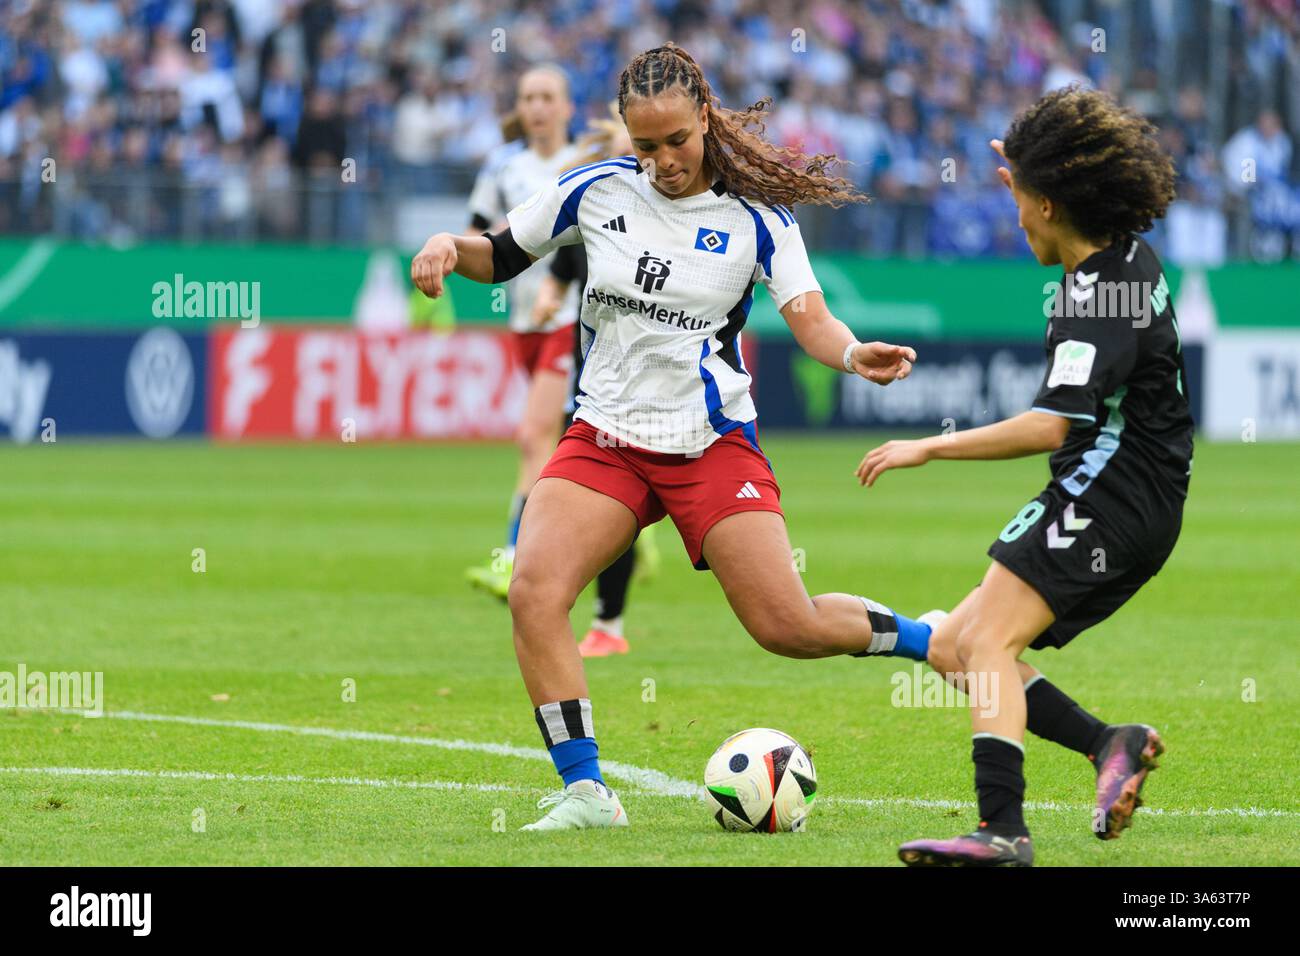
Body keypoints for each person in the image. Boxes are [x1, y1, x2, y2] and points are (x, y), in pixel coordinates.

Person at [412, 43, 926, 831]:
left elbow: (813, 321)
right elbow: (504, 255)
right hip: (606, 436)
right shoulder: (593, 191)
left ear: (706, 119)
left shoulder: (760, 219)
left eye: (676, 141)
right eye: (645, 145)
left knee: (786, 627)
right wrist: (453, 245)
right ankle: (587, 793)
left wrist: (857, 354)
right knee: (535, 592)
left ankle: (932, 640)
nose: (662, 161)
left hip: (709, 442)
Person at [857, 86, 1191, 866]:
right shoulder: (1120, 255)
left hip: (1112, 495)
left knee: (992, 645)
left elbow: (1050, 425)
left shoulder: (1098, 297)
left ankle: (1002, 830)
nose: (1014, 218)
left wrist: (929, 447)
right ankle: (1112, 742)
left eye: (1020, 201)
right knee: (954, 647)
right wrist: (1027, 166)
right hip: (1128, 495)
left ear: (1050, 203)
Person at [532, 100, 660, 657]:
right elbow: (555, 276)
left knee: (623, 515)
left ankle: (608, 618)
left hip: (665, 399)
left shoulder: (676, 227)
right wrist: (544, 302)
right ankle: (602, 622)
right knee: (602, 510)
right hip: (595, 395)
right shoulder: (587, 219)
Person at [461, 65, 583, 599]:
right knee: (560, 446)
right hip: (522, 322)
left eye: (547, 97)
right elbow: (475, 231)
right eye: (528, 96)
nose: (537, 106)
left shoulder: (585, 164)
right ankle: (626, 537)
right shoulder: (502, 168)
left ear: (567, 107)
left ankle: (512, 555)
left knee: (533, 437)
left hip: (572, 319)